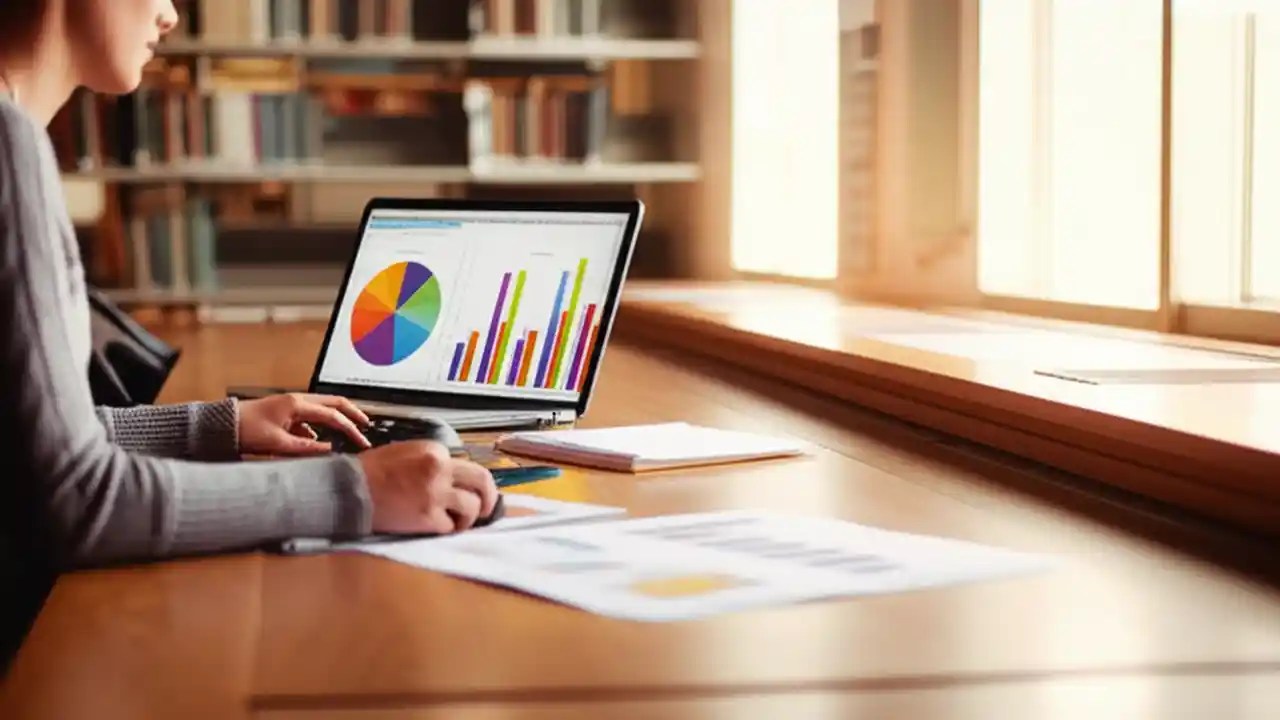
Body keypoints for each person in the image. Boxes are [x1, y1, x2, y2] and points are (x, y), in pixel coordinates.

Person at [0, 0, 498, 665]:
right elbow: (76, 502)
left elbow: (25, 452)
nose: (170, 15)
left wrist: (219, 425)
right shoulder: (8, 143)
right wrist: (358, 492)